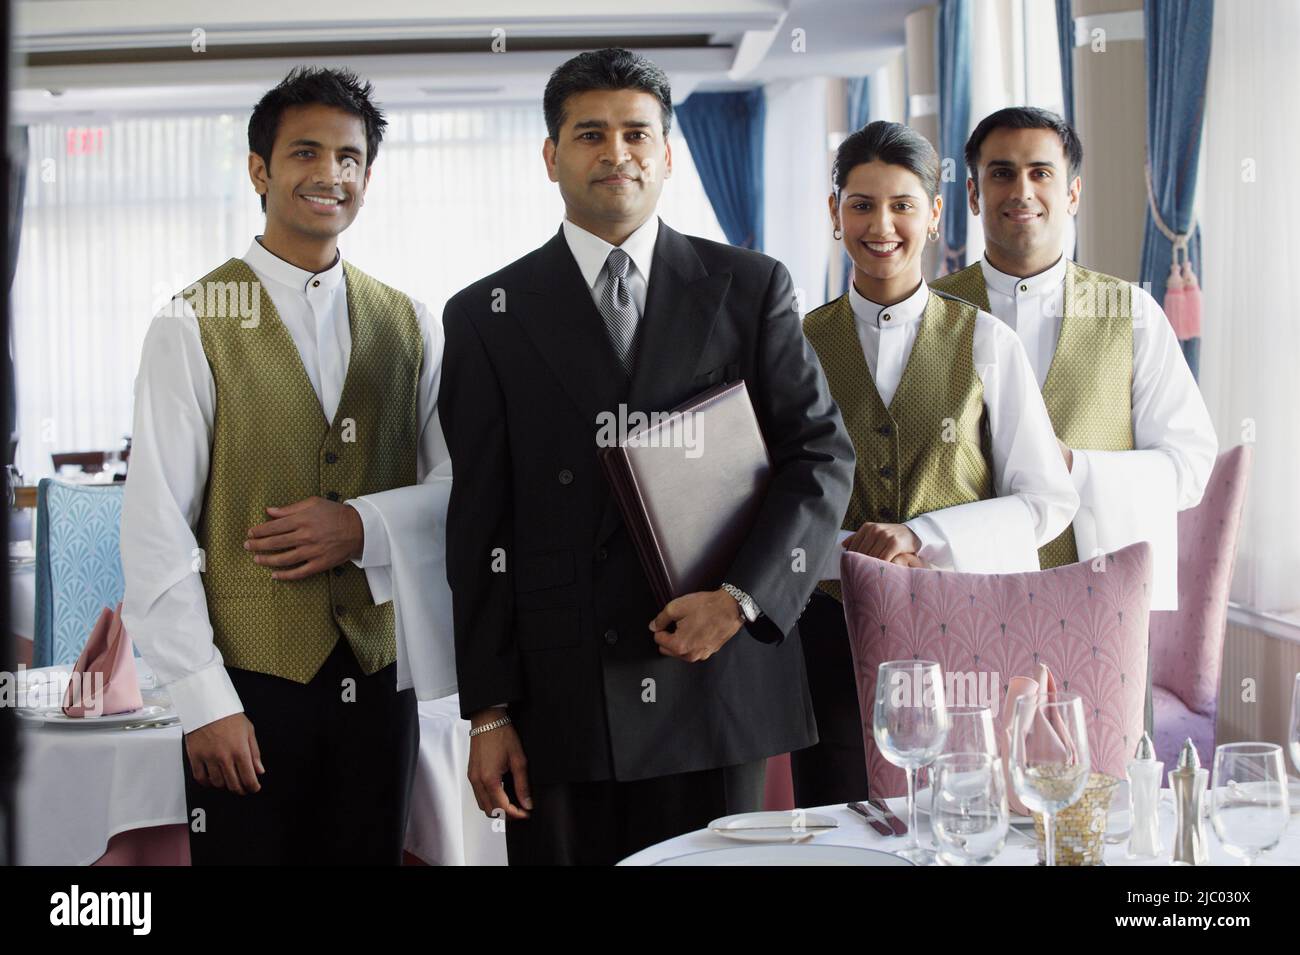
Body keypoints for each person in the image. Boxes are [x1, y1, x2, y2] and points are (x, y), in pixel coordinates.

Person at [439, 48, 855, 865]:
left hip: (717, 671)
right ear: (551, 156)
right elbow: (477, 521)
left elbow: (820, 455)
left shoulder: (750, 284)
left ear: (668, 154)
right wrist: (487, 710)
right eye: (590, 133)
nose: (617, 152)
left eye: (637, 133)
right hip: (562, 690)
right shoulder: (487, 312)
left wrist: (739, 601)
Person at [120, 67, 454, 864]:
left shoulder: (413, 321)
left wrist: (361, 525)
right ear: (260, 169)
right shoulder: (191, 322)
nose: (330, 174)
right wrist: (203, 701)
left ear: (367, 177)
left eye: (350, 157)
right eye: (307, 152)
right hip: (248, 683)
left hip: (378, 682)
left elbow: (456, 488)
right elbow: (155, 528)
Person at [789, 120, 1078, 808]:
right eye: (861, 204)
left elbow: (1047, 499)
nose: (880, 224)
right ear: (835, 213)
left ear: (935, 214)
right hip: (829, 635)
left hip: (964, 628)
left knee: (963, 813)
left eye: (902, 205)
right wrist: (849, 554)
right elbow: (767, 499)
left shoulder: (987, 341)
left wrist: (922, 537)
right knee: (841, 824)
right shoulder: (794, 345)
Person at [931, 107, 1217, 608]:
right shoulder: (927, 316)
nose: (1022, 191)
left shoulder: (1133, 314)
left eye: (1041, 173)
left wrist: (1076, 468)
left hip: (1100, 605)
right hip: (960, 600)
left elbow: (1189, 467)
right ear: (974, 195)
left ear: (1072, 194)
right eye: (1001, 173)